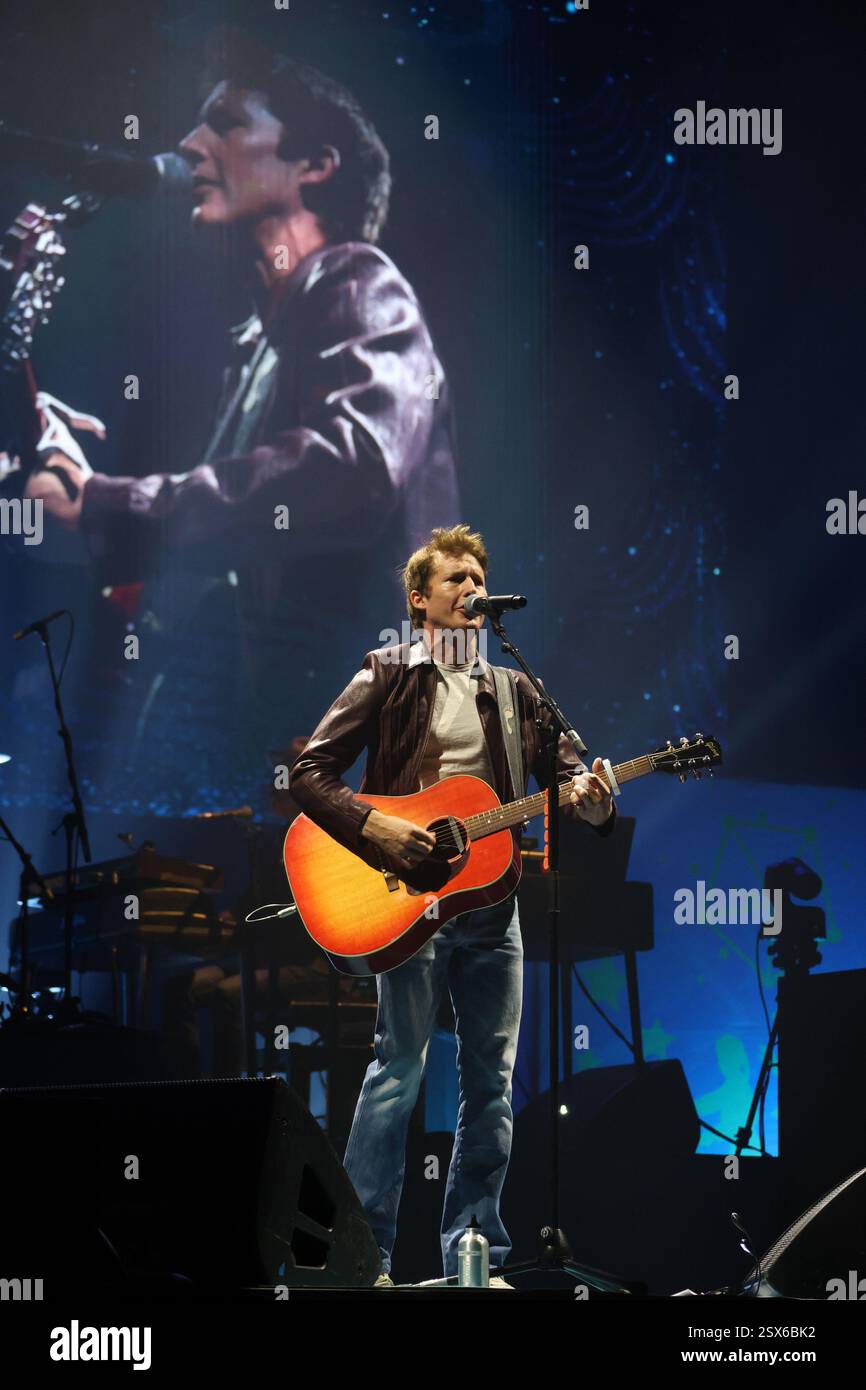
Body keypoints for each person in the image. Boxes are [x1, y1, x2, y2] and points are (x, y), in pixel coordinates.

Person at [22, 26, 461, 802]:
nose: (188, 144)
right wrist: (67, 476)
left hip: (379, 772)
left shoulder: (357, 279)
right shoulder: (260, 345)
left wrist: (104, 503)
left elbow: (354, 464)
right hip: (296, 764)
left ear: (315, 163)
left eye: (225, 124)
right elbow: (224, 548)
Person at [289, 523, 616, 1286]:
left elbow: (577, 789)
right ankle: (356, 1258)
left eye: (478, 578)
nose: (471, 589)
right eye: (454, 580)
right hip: (407, 902)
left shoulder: (517, 691)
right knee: (397, 1071)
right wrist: (378, 828)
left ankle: (477, 1258)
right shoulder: (385, 674)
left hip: (492, 906)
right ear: (419, 600)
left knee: (490, 1083)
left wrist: (595, 802)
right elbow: (310, 774)